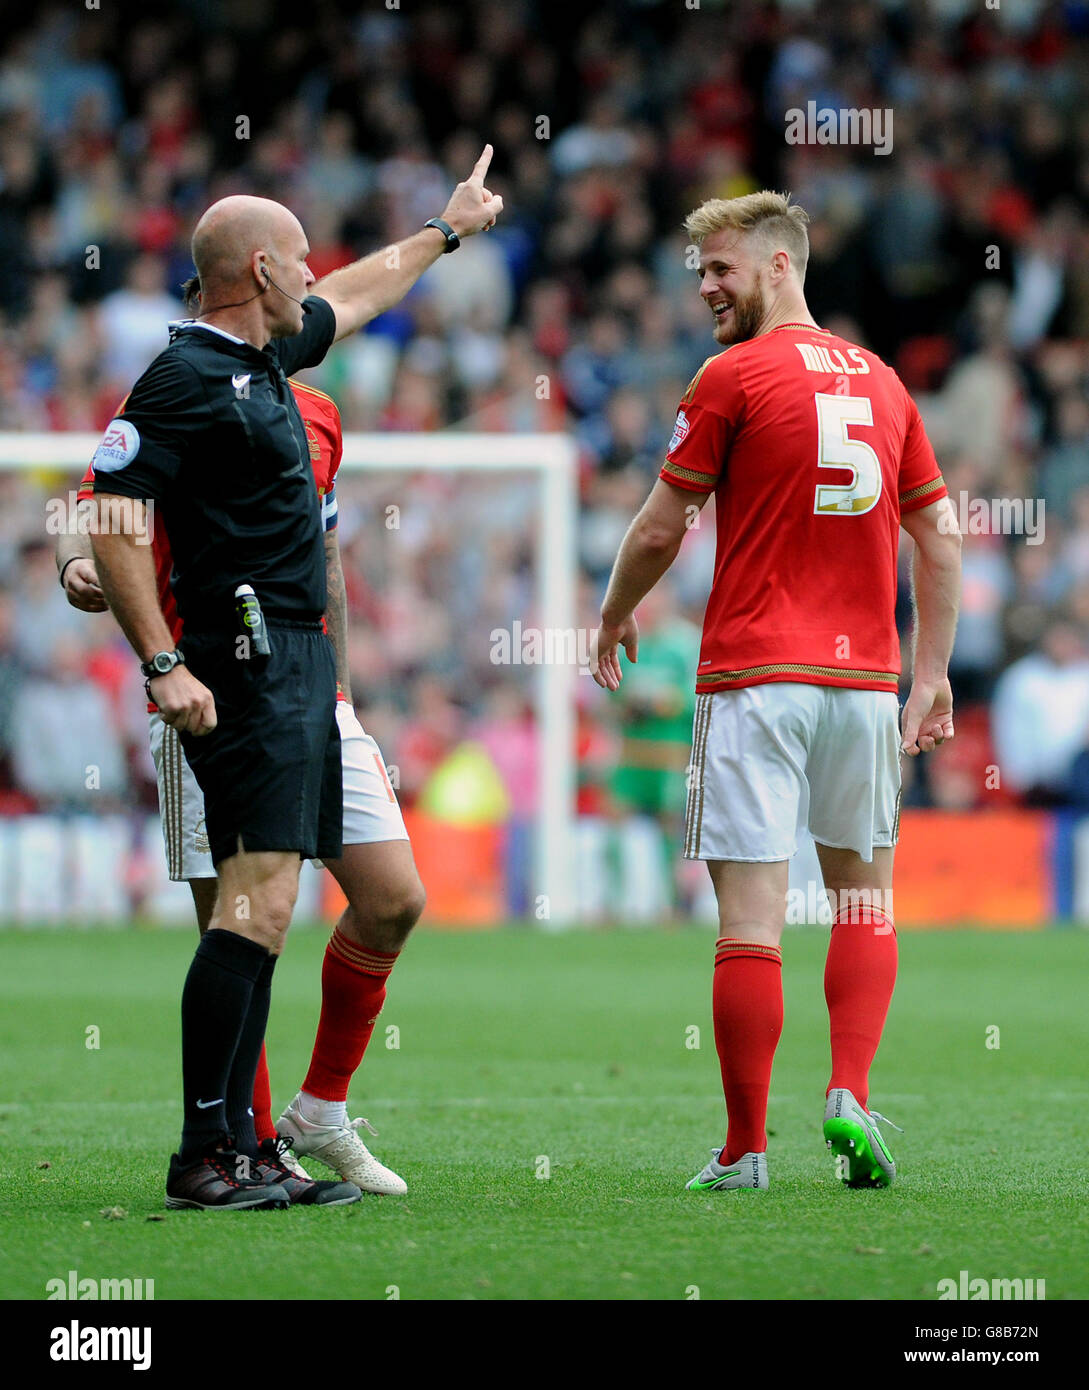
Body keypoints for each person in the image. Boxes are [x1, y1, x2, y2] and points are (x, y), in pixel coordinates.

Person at [88, 149, 501, 1209]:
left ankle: (253, 1146)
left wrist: (444, 232)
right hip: (245, 655)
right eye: (304, 261)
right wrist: (163, 659)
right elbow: (111, 516)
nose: (319, 276)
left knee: (289, 904)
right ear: (264, 268)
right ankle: (202, 1156)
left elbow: (359, 294)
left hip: (304, 662)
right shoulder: (182, 377)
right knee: (256, 901)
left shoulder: (269, 364)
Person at [591, 191, 961, 1193]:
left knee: (750, 924)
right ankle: (849, 1089)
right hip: (862, 684)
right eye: (699, 272)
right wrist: (928, 675)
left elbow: (664, 525)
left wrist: (615, 610)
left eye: (721, 269)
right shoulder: (886, 384)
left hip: (757, 674)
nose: (706, 286)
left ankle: (746, 1149)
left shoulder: (732, 375)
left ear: (781, 265)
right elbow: (941, 535)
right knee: (864, 898)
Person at [60, 348, 423, 1199]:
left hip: (313, 693)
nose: (305, 300)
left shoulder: (318, 412)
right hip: (209, 695)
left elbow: (324, 549)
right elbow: (99, 513)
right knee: (244, 923)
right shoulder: (180, 393)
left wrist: (338, 681)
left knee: (392, 897)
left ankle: (319, 1110)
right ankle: (241, 1149)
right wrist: (75, 566)